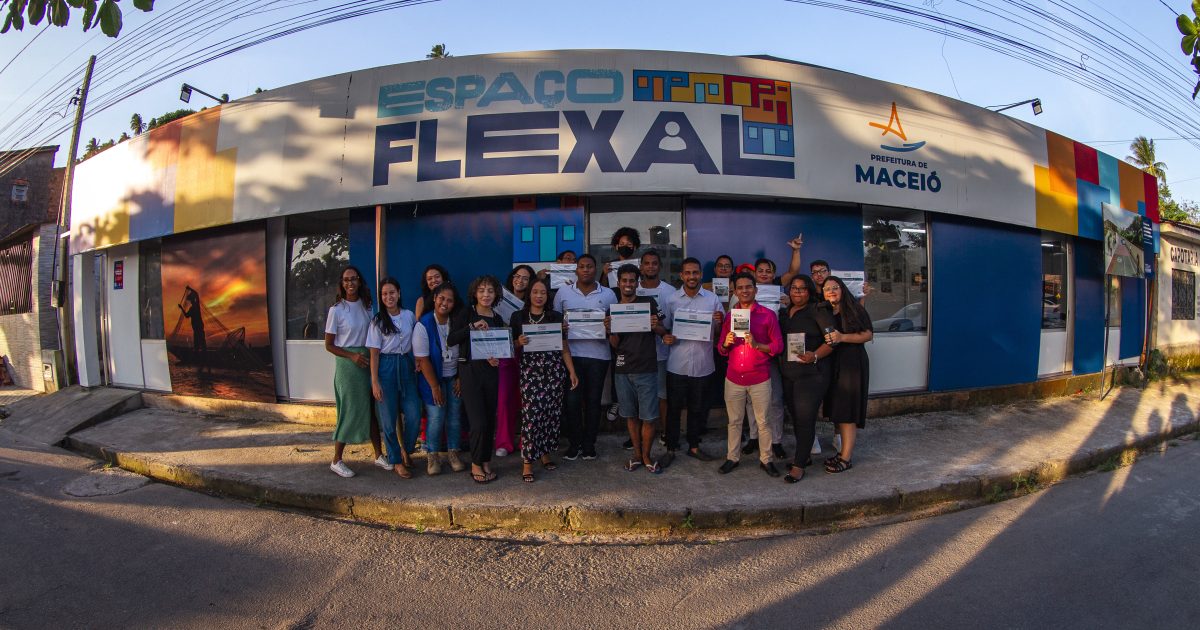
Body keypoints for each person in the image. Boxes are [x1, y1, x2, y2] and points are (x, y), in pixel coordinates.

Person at [511, 277, 579, 482]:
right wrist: (518, 342)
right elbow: (508, 347)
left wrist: (572, 372)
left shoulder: (555, 317)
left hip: (554, 372)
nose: (539, 296)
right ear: (529, 294)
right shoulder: (518, 317)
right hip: (530, 373)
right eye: (535, 292)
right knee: (532, 416)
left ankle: (545, 453)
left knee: (550, 414)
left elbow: (564, 347)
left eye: (543, 292)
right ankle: (527, 462)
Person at [716, 272, 784, 477]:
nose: (744, 290)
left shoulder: (768, 315)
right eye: (740, 288)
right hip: (734, 377)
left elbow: (778, 346)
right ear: (735, 291)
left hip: (759, 377)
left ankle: (766, 459)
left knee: (763, 421)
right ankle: (732, 457)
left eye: (748, 287)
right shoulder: (730, 317)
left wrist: (758, 345)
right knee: (734, 421)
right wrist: (726, 343)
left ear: (756, 289)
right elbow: (721, 348)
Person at [552, 253, 617, 460]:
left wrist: (609, 326)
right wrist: (559, 326)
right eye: (582, 266)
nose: (586, 270)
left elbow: (616, 325)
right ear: (576, 269)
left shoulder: (608, 294)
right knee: (572, 402)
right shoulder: (563, 292)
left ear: (595, 269)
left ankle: (589, 445)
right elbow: (554, 321)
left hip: (599, 356)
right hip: (571, 356)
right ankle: (574, 444)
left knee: (593, 402)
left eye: (590, 266)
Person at [325, 266, 386, 478]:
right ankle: (336, 460)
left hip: (367, 360)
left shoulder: (366, 306)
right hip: (348, 364)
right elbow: (329, 345)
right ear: (341, 284)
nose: (350, 283)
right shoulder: (337, 310)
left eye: (354, 279)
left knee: (371, 408)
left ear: (359, 282)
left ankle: (378, 454)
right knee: (350, 410)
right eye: (346, 280)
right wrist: (352, 356)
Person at [661, 257, 723, 461]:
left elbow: (721, 331)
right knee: (674, 408)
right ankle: (671, 448)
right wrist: (667, 337)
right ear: (681, 275)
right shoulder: (671, 300)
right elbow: (666, 328)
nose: (692, 276)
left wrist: (719, 322)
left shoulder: (712, 299)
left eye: (695, 272)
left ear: (700, 275)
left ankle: (694, 446)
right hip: (677, 364)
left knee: (698, 408)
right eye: (687, 273)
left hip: (704, 364)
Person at [447, 275, 507, 483]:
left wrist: (496, 358)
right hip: (470, 372)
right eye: (482, 290)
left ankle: (486, 460)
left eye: (490, 291)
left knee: (490, 419)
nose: (486, 295)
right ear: (475, 293)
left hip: (490, 372)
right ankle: (475, 463)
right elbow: (451, 339)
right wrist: (472, 327)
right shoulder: (466, 314)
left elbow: (499, 347)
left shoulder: (497, 318)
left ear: (496, 294)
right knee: (478, 422)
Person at [608, 264, 667, 473]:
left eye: (632, 281)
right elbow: (614, 344)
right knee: (630, 415)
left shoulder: (648, 302)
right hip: (623, 369)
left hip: (647, 368)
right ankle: (636, 455)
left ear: (637, 283)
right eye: (624, 281)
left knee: (649, 416)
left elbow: (662, 330)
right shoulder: (613, 309)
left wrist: (655, 326)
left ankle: (647, 455)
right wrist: (610, 329)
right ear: (618, 283)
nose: (628, 284)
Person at [777, 275, 835, 483]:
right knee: (795, 418)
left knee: (805, 419)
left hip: (812, 375)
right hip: (789, 374)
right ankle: (804, 456)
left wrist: (815, 355)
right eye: (794, 288)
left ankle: (799, 466)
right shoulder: (784, 313)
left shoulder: (819, 310)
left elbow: (832, 341)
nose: (797, 292)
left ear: (809, 291)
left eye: (802, 289)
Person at [367, 277, 422, 478]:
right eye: (384, 294)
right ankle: (396, 460)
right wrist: (374, 381)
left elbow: (416, 340)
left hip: (406, 365)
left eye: (392, 292)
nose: (388, 297)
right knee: (388, 420)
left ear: (399, 293)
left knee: (414, 413)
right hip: (386, 367)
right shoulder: (377, 321)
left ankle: (405, 449)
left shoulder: (408, 316)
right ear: (381, 298)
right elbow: (373, 354)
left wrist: (416, 358)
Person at [413, 283, 466, 474]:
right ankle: (433, 455)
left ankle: (453, 453)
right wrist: (434, 386)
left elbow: (465, 351)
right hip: (432, 379)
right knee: (436, 417)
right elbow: (423, 358)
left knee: (454, 417)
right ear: (434, 298)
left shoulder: (457, 322)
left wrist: (460, 376)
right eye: (441, 298)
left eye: (449, 300)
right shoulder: (423, 324)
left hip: (453, 377)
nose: (445, 303)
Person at [822, 276, 872, 473]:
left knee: (848, 412)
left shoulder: (854, 309)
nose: (831, 291)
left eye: (835, 287)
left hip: (852, 365)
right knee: (839, 411)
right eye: (827, 289)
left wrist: (842, 337)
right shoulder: (826, 311)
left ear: (843, 289)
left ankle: (846, 458)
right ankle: (842, 453)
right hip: (834, 364)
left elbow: (868, 334)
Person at [746, 257, 788, 461]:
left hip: (774, 355)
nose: (764, 274)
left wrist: (787, 306)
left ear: (773, 274)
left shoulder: (782, 295)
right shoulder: (743, 294)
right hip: (750, 354)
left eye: (768, 271)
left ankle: (777, 441)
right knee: (750, 400)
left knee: (776, 399)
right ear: (755, 274)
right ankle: (754, 437)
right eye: (760, 270)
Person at [495, 265, 535, 457]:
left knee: (527, 400)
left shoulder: (533, 302)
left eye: (526, 278)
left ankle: (526, 441)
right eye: (517, 276)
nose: (520, 281)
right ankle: (504, 441)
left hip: (528, 356)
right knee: (504, 399)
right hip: (505, 355)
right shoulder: (499, 299)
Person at [705, 254, 735, 411]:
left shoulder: (739, 289)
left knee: (731, 385)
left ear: (732, 270)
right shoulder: (704, 288)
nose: (723, 268)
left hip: (732, 343)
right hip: (710, 341)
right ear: (715, 269)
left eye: (727, 266)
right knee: (711, 384)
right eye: (720, 265)